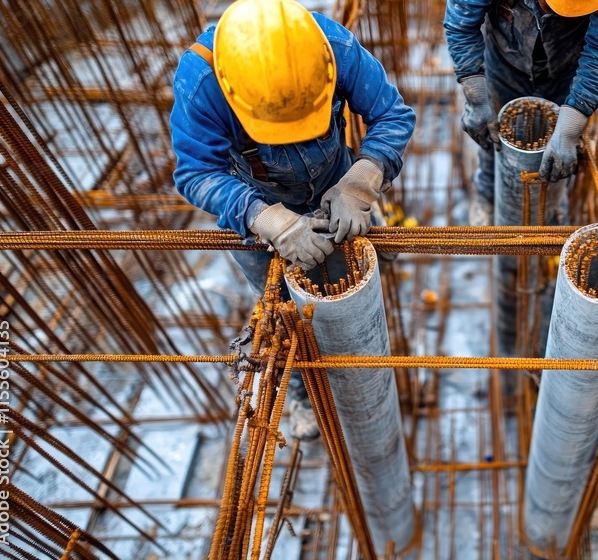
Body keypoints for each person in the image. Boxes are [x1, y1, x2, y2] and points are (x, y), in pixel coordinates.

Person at [170, 0, 415, 440]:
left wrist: (361, 182)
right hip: (257, 204)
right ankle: (302, 390)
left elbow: (392, 115)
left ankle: (368, 219)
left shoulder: (332, 46)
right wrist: (266, 220)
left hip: (336, 178)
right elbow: (195, 173)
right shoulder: (203, 80)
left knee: (351, 272)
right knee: (287, 314)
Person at [444, 0, 598, 226]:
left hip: (567, 63)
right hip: (504, 57)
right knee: (493, 133)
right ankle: (488, 192)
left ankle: (552, 203)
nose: (549, 10)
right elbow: (461, 23)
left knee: (556, 151)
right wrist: (475, 94)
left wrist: (573, 119)